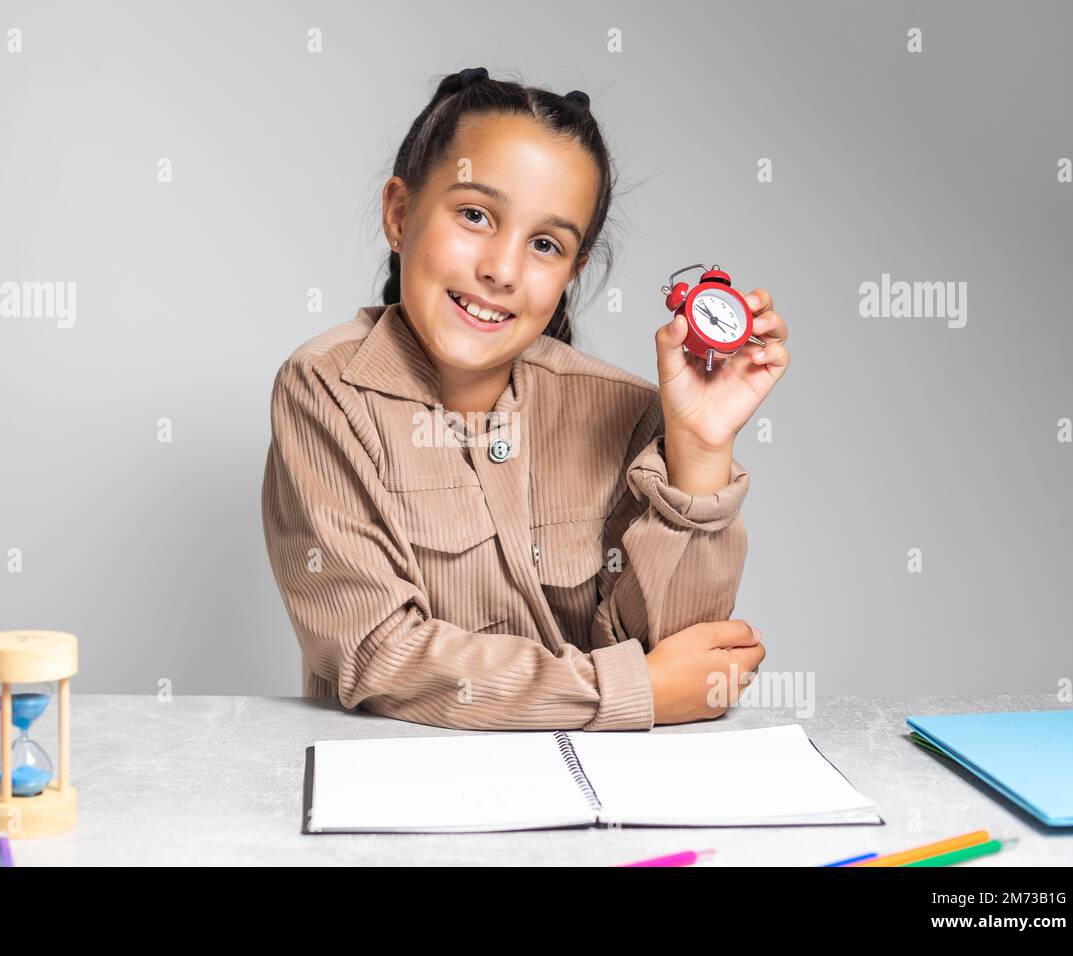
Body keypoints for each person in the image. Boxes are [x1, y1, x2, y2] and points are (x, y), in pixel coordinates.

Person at [261, 67, 790, 731]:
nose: (502, 271)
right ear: (399, 214)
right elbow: (378, 655)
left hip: (598, 805)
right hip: (397, 793)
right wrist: (629, 691)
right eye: (475, 215)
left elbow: (687, 666)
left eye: (545, 244)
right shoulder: (327, 391)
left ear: (573, 270)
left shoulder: (622, 410)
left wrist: (700, 448)